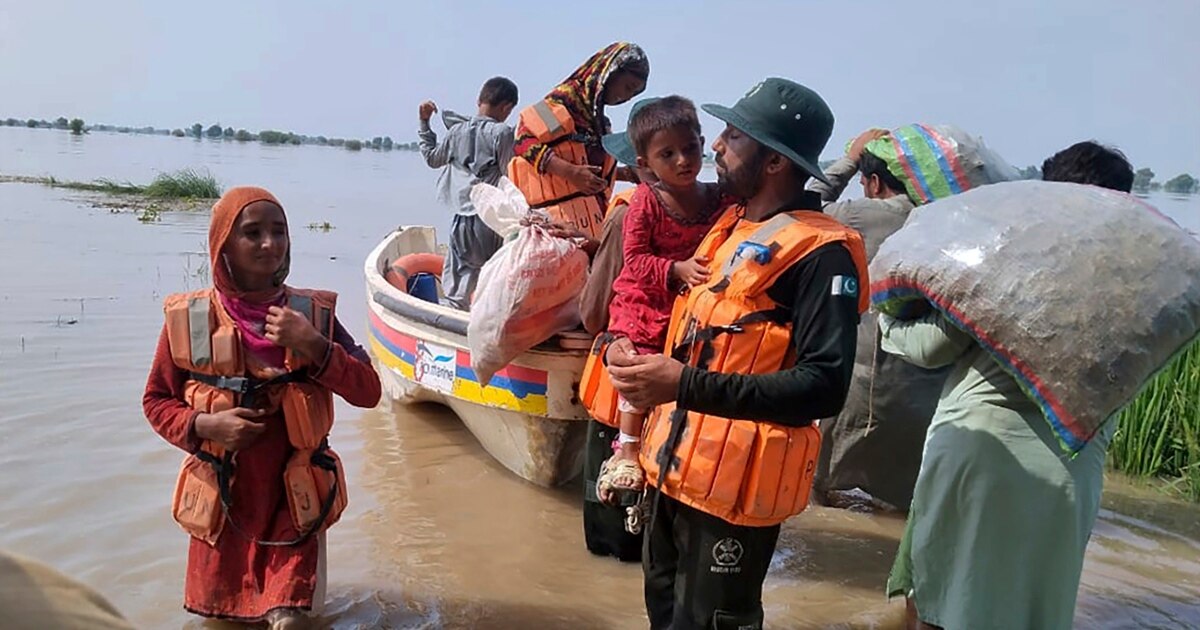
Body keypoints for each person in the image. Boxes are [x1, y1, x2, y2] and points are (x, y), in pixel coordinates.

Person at [608, 78, 869, 630]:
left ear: (773, 161)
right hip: (671, 475)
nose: (716, 148)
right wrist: (626, 352)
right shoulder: (730, 227)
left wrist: (682, 386)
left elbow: (824, 386)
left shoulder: (822, 257)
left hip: (733, 495)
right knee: (664, 615)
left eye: (731, 136)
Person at [883, 143, 1134, 630]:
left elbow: (933, 348)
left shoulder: (1011, 253)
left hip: (982, 449)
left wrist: (887, 323)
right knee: (1030, 610)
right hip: (1072, 470)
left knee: (939, 600)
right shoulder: (1140, 279)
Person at [142, 187, 381, 628]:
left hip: (293, 496)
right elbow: (156, 401)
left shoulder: (313, 316)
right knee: (221, 619)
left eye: (279, 232)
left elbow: (368, 391)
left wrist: (312, 344)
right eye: (252, 234)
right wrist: (207, 424)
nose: (269, 244)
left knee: (290, 619)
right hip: (226, 499)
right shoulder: (192, 320)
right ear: (223, 248)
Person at [592, 96, 723, 508]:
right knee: (638, 359)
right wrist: (675, 271)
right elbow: (635, 260)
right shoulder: (645, 201)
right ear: (645, 163)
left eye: (690, 149)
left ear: (703, 143)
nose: (683, 161)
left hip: (689, 303)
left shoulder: (719, 198)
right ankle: (628, 450)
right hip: (644, 298)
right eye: (668, 154)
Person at [810, 129, 949, 510]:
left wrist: (849, 159)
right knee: (900, 509)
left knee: (817, 492)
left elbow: (801, 207)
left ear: (873, 182)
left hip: (854, 382)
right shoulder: (946, 223)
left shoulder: (859, 215)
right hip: (921, 396)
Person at [579, 98, 660, 563]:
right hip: (669, 382)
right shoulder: (703, 215)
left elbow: (594, 314)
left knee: (607, 513)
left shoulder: (626, 212)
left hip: (619, 380)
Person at [509, 42, 649, 250]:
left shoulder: (600, 122)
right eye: (628, 87)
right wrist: (570, 172)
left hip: (587, 230)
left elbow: (584, 163)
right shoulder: (557, 104)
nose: (627, 97)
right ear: (608, 72)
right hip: (552, 229)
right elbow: (523, 141)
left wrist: (622, 174)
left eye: (633, 94)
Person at [418, 76, 520, 310]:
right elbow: (510, 175)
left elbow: (433, 159)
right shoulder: (503, 133)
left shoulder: (456, 132)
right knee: (494, 279)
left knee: (456, 289)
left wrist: (425, 124)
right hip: (494, 220)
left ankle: (451, 331)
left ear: (479, 100)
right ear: (507, 108)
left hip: (462, 218)